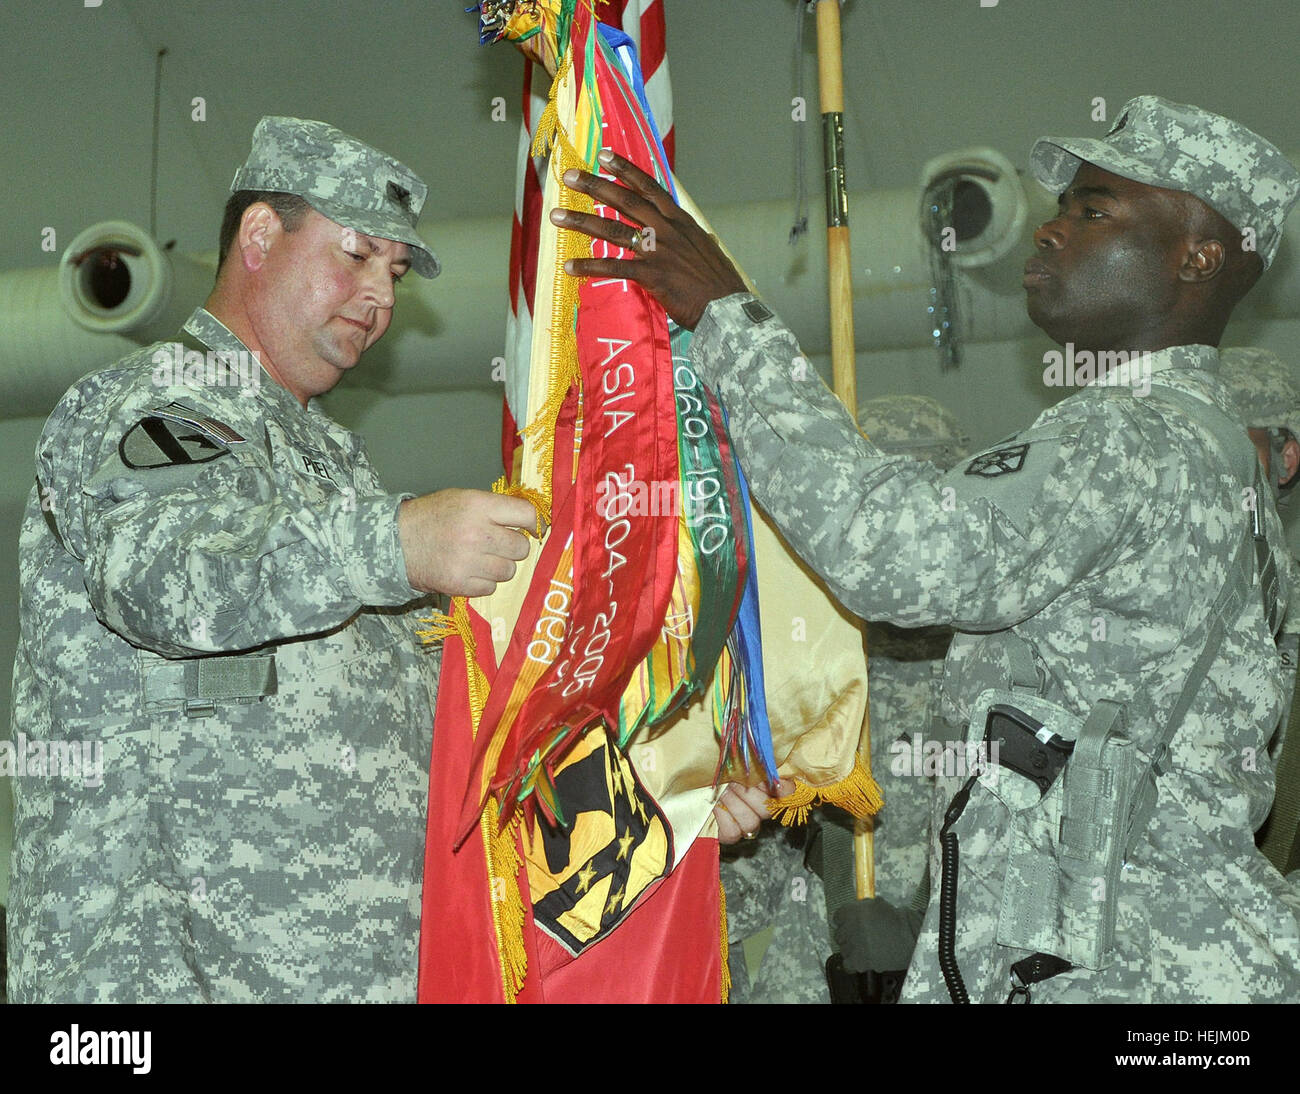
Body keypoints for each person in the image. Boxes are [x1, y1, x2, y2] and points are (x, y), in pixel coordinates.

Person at [555, 95, 1300, 1002]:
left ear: (1199, 258)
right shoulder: (1226, 467)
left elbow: (882, 549)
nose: (1054, 230)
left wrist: (726, 315)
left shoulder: (1125, 441)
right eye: (1062, 207)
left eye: (1093, 209)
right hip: (1183, 958)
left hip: (1117, 964)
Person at [8, 116, 537, 1003]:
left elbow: (430, 702)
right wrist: (397, 541)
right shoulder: (158, 399)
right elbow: (165, 581)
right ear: (259, 235)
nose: (380, 297)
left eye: (397, 274)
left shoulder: (329, 463)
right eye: (357, 254)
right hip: (165, 981)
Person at [722, 395, 968, 1003]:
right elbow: (748, 869)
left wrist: (933, 930)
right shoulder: (808, 658)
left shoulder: (1000, 660)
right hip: (813, 968)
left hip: (971, 972)